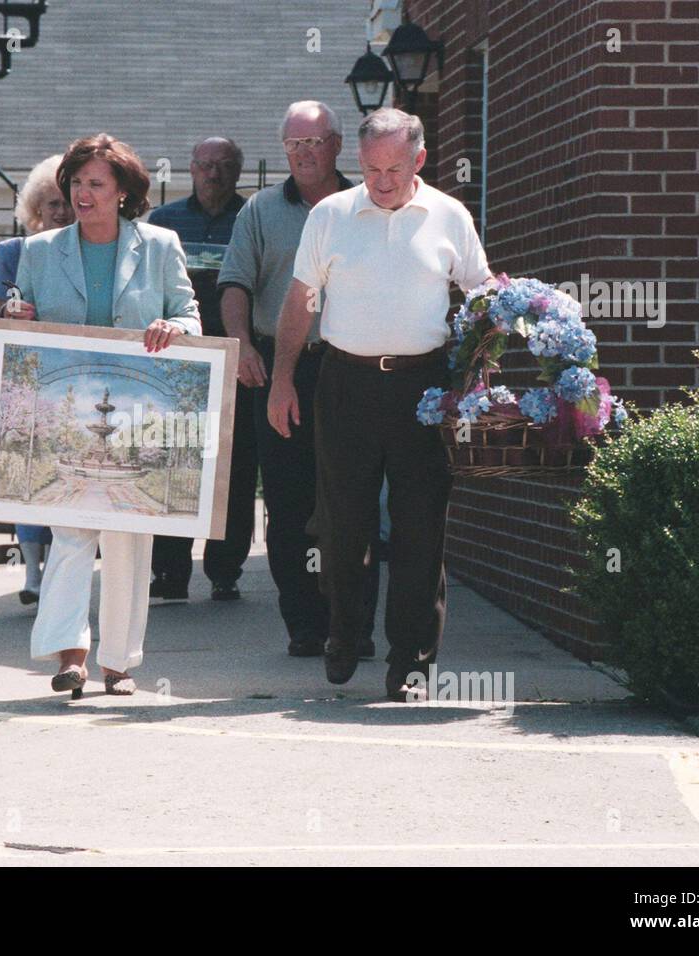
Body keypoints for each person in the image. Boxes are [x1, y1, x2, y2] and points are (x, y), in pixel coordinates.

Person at [269, 107, 494, 701]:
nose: (383, 181)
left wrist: (483, 367)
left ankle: (413, 661)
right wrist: (282, 379)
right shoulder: (330, 215)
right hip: (346, 385)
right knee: (344, 525)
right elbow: (300, 302)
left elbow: (482, 296)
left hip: (425, 388)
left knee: (422, 529)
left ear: (419, 160)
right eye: (371, 169)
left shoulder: (450, 215)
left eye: (395, 168)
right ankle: (344, 636)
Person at [8, 133, 201, 698]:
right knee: (69, 530)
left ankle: (120, 665)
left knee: (127, 536)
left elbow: (189, 312)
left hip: (138, 409)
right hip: (67, 411)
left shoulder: (161, 245)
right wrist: (16, 312)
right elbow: (22, 320)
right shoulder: (41, 250)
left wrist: (176, 328)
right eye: (76, 183)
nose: (82, 193)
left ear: (123, 191)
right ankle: (72, 656)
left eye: (96, 183)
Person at [217, 101, 381, 657]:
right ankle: (306, 626)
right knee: (288, 504)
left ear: (337, 146)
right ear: (283, 149)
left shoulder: (370, 205)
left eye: (315, 143)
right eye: (294, 145)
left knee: (352, 501)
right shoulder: (260, 212)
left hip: (353, 367)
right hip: (280, 368)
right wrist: (241, 345)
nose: (304, 154)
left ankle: (354, 625)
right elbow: (235, 284)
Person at [147, 136, 254, 602]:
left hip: (236, 355)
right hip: (177, 359)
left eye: (225, 166)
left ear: (237, 172)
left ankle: (225, 570)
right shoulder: (165, 221)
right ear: (190, 169)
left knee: (235, 465)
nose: (214, 174)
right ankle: (169, 572)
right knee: (172, 461)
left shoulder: (250, 218)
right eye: (206, 165)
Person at [0, 154, 73, 605]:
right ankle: (33, 572)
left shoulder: (84, 252)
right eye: (52, 203)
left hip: (69, 381)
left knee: (62, 476)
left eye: (67, 202)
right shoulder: (13, 252)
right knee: (25, 475)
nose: (61, 212)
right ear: (36, 208)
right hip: (26, 376)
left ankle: (58, 568)